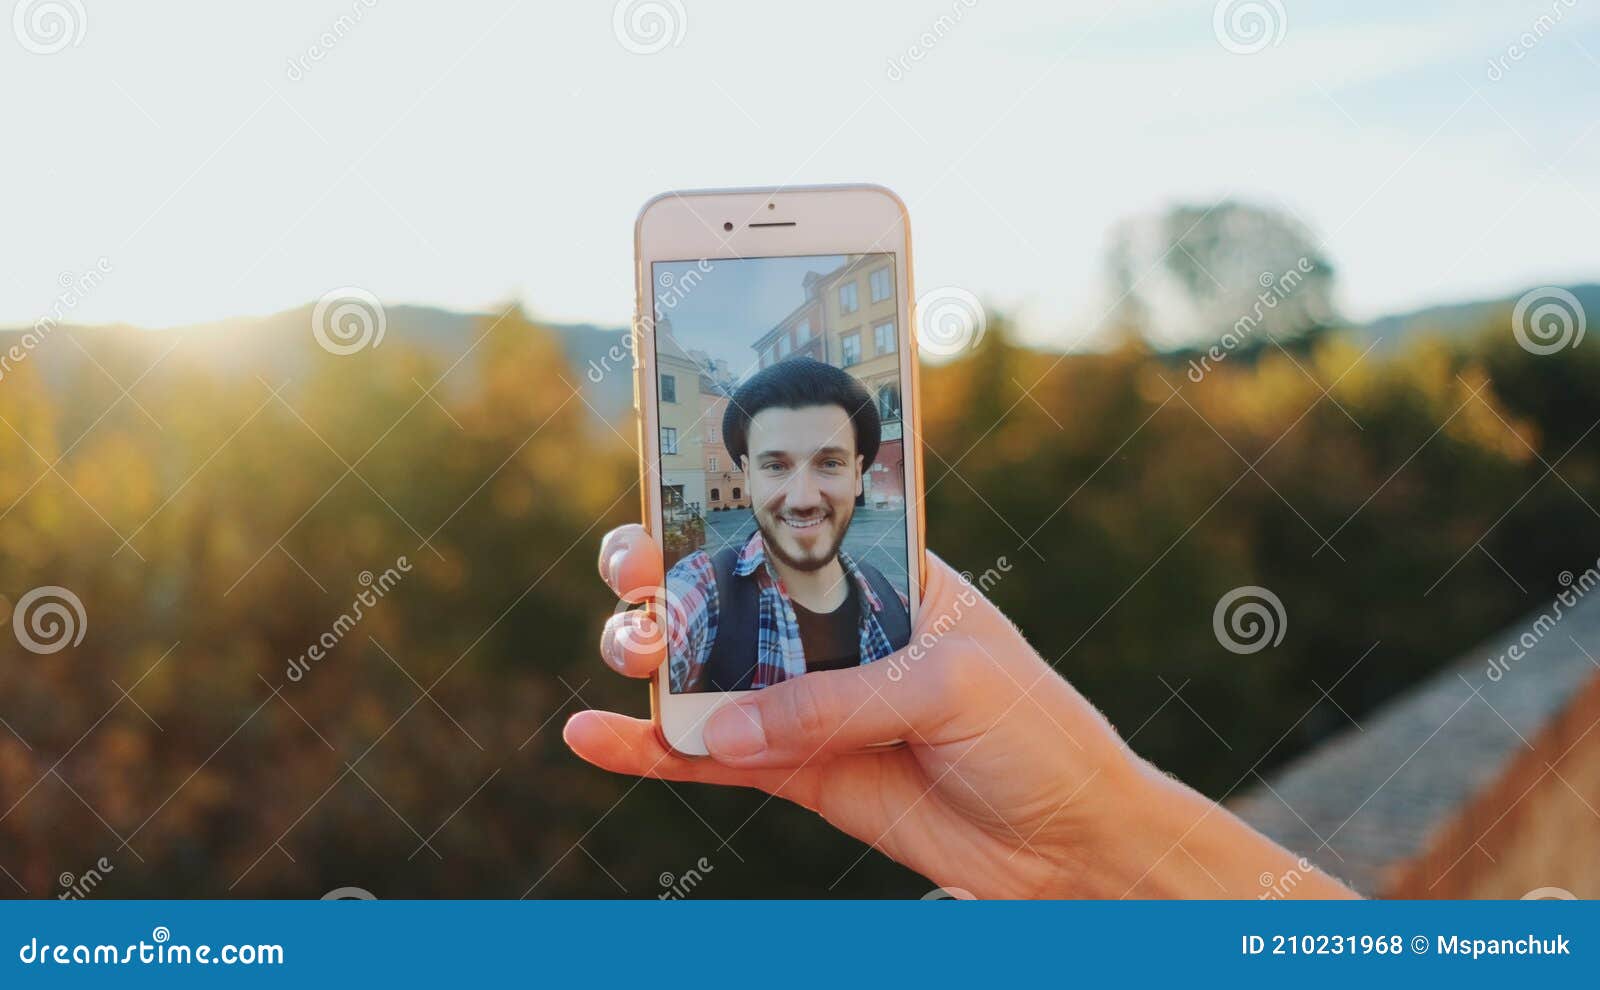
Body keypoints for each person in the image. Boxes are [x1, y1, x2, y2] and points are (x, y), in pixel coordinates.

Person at [570, 525, 1360, 899]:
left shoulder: (876, 594)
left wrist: (1089, 850)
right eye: (775, 465)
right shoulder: (716, 577)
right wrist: (1094, 848)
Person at [664, 357, 910, 694]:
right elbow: (670, 629)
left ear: (857, 474)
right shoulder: (704, 590)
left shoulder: (900, 605)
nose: (802, 498)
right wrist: (642, 643)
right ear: (747, 476)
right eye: (777, 466)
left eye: (830, 463)